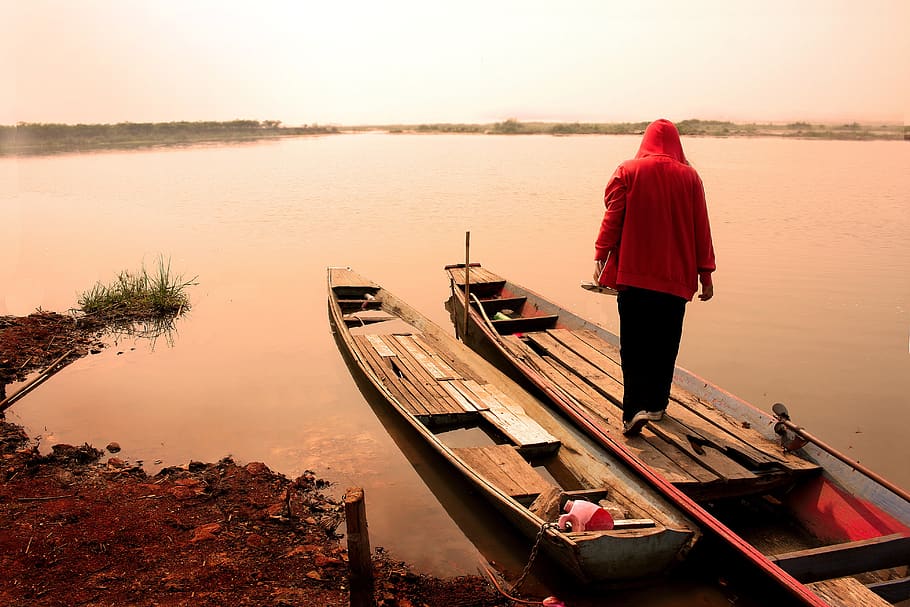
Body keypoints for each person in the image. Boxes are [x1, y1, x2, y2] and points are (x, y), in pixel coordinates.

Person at [593, 119, 716, 437]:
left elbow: (613, 217)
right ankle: (658, 405)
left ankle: (634, 410)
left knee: (634, 347)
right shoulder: (690, 177)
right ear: (677, 144)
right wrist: (707, 274)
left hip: (634, 277)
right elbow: (701, 228)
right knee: (665, 345)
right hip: (676, 281)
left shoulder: (628, 171)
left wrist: (600, 255)